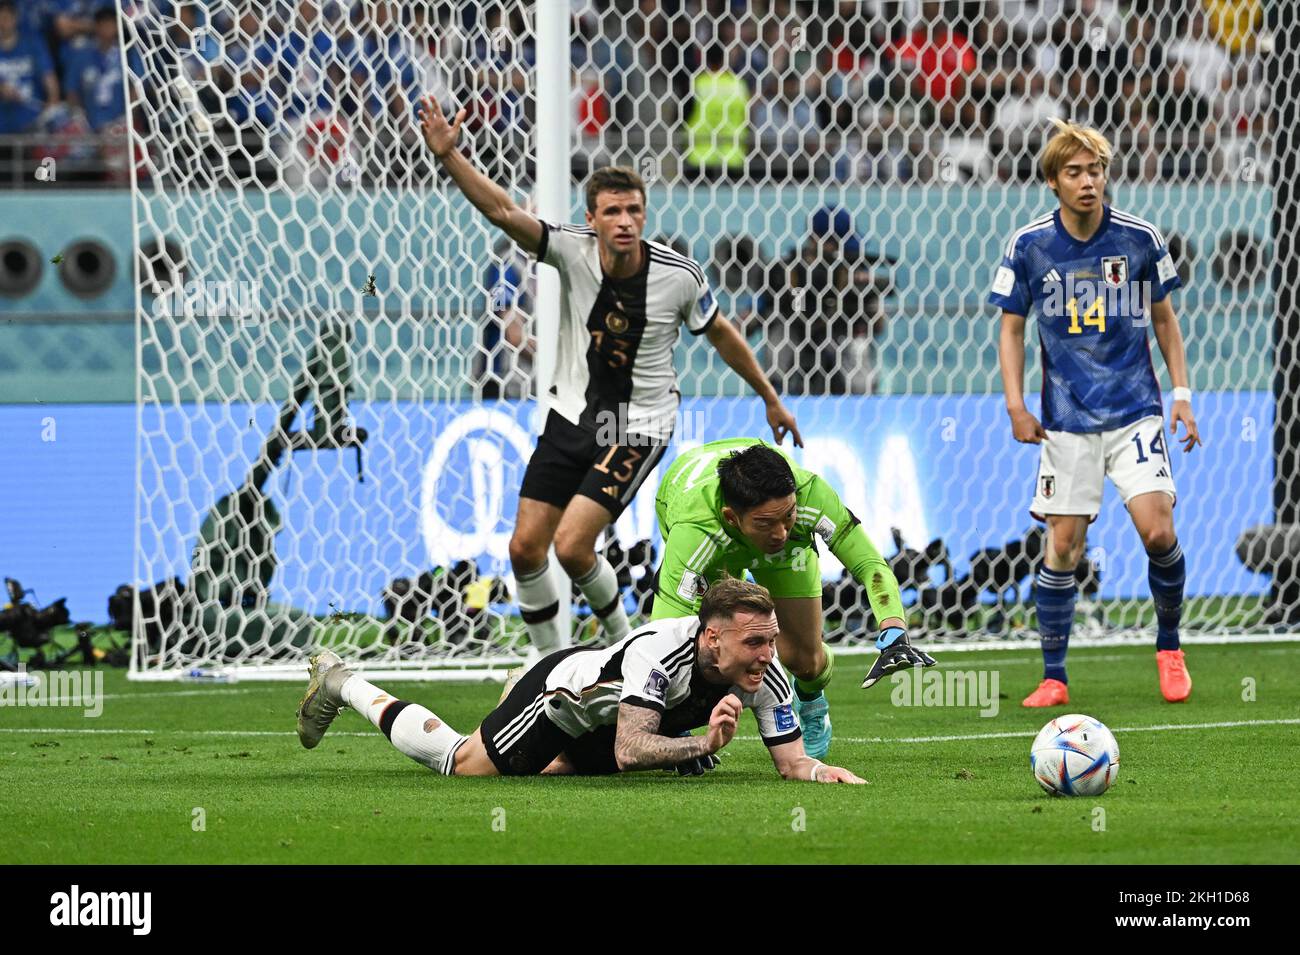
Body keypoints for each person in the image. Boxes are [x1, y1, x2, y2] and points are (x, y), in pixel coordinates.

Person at [417, 94, 800, 654]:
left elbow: (721, 333)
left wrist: (769, 397)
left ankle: (626, 650)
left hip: (639, 422)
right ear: (592, 218)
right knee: (525, 550)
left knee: (573, 547)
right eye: (612, 212)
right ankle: (548, 667)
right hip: (572, 411)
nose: (624, 222)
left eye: (634, 212)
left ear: (644, 214)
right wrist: (450, 156)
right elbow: (502, 211)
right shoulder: (569, 250)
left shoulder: (678, 275)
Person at [990, 118, 1201, 707]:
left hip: (1135, 410)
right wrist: (1015, 405)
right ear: (1053, 181)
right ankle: (1054, 676)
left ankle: (1169, 645)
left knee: (1158, 530)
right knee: (1063, 547)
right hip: (1065, 419)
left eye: (1097, 170)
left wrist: (1181, 397)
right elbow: (1011, 328)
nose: (1090, 182)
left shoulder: (1138, 238)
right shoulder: (1030, 246)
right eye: (1076, 172)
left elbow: (1164, 319)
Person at [297, 576, 864, 783]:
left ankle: (545, 737)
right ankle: (343, 683)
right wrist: (702, 744)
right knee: (461, 764)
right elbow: (630, 748)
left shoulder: (766, 675)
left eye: (770, 640)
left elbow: (791, 763)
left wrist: (820, 771)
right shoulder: (657, 656)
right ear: (711, 638)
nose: (768, 653)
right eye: (754, 642)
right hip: (561, 698)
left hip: (616, 715)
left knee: (559, 772)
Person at [648, 439, 935, 758]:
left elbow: (869, 563)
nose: (781, 532)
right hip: (710, 539)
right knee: (708, 645)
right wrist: (669, 730)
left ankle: (812, 703)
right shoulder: (695, 530)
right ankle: (679, 721)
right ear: (732, 517)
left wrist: (894, 628)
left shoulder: (810, 494)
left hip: (780, 556)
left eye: (788, 516)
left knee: (804, 661)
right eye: (766, 523)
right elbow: (664, 632)